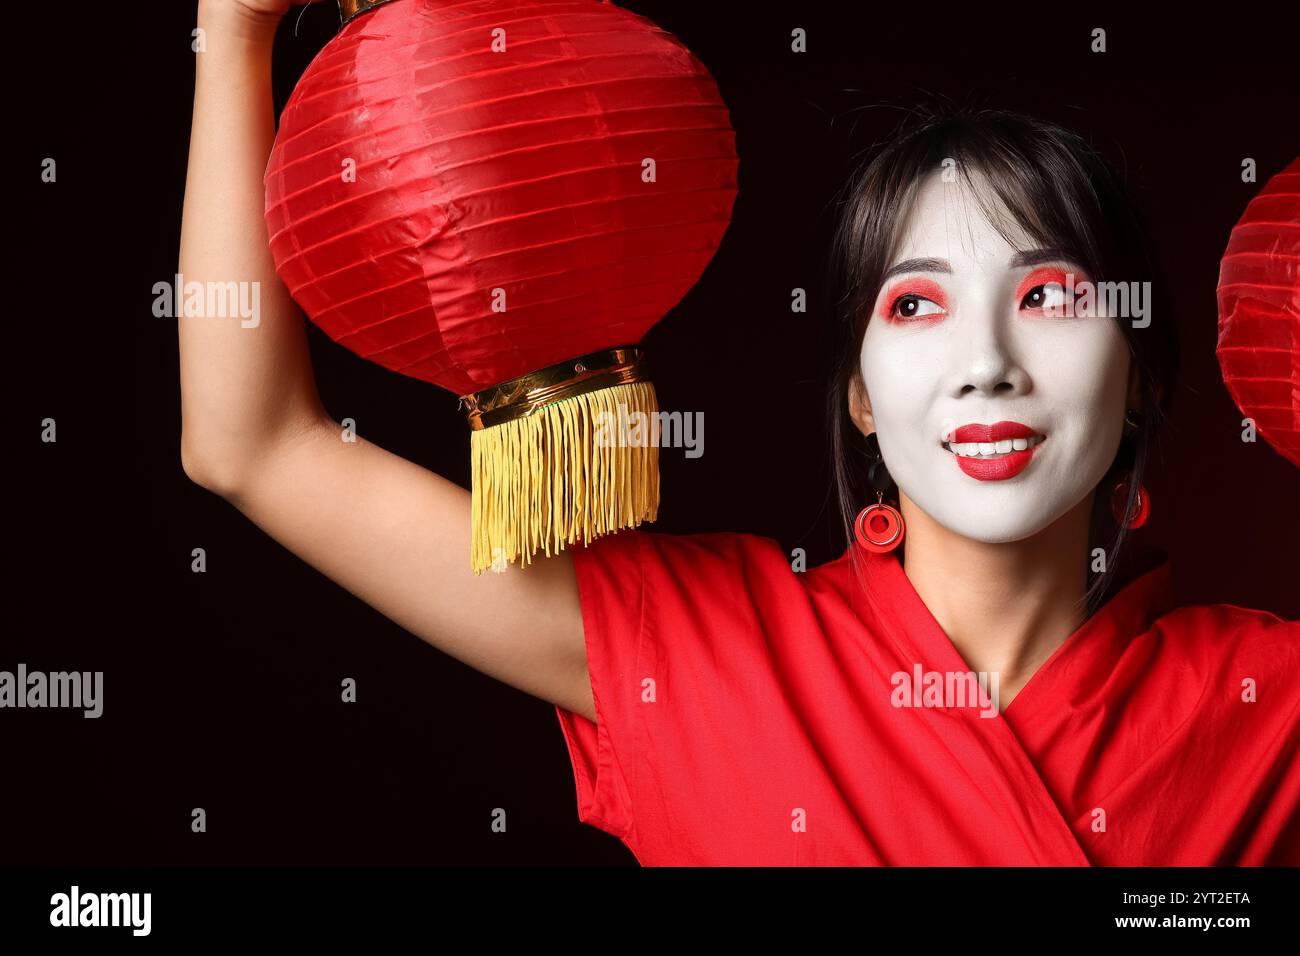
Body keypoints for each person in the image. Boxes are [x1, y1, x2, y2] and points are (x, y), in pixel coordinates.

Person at [180, 0, 1299, 866]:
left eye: (1049, 296)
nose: (986, 362)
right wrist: (235, 31)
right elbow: (252, 444)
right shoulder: (693, 647)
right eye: (916, 304)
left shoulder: (1271, 696)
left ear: (1142, 375)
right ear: (860, 395)